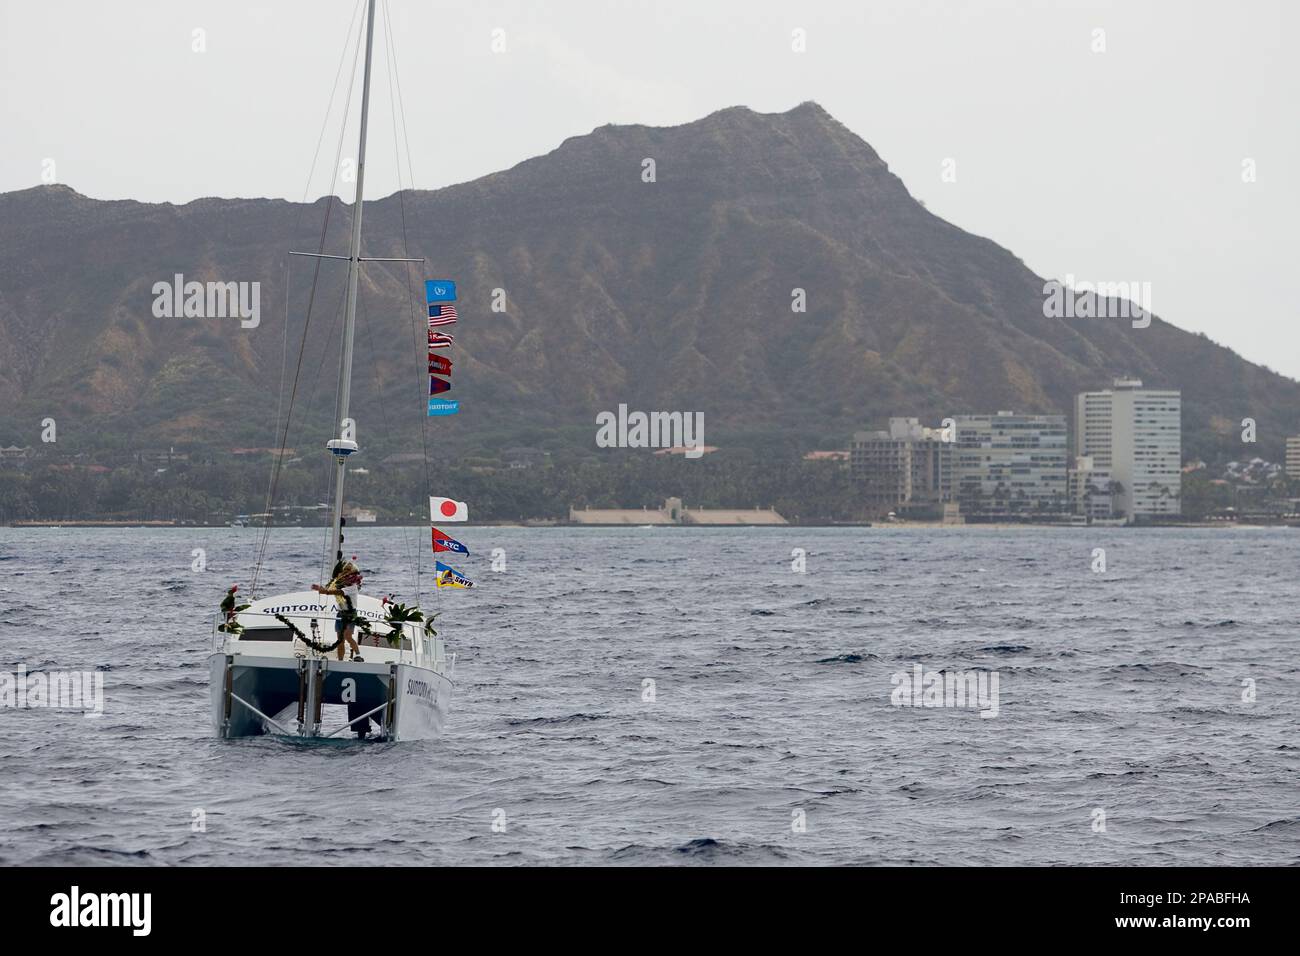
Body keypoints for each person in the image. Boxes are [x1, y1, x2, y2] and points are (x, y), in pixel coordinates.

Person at [312, 561, 364, 662]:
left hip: (350, 614)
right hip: (340, 614)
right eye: (345, 570)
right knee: (340, 641)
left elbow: (337, 592)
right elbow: (332, 588)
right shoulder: (340, 584)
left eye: (348, 570)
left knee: (348, 637)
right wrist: (325, 589)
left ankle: (358, 655)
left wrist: (325, 592)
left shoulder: (353, 587)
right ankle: (340, 661)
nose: (346, 572)